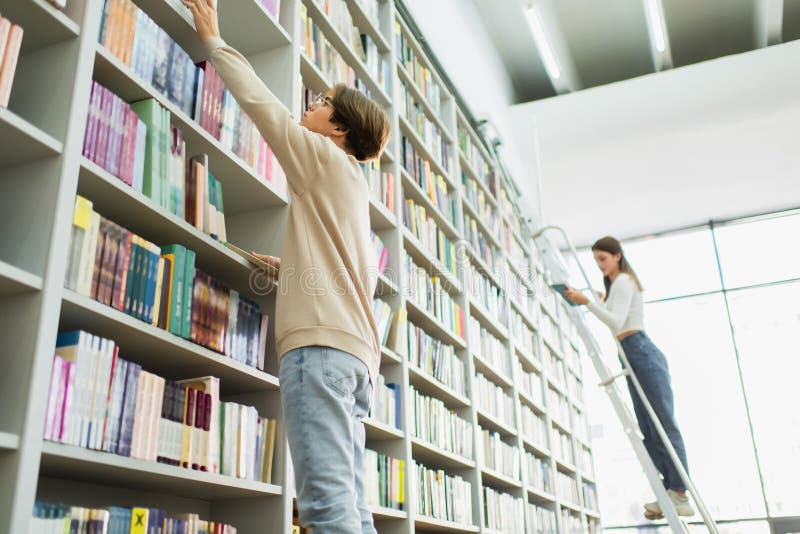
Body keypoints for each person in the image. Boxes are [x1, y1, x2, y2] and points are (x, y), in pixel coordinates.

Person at [183, 1, 390, 532]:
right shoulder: (353, 186)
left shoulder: (322, 157)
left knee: (323, 508)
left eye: (324, 101)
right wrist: (289, 268)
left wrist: (213, 39)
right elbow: (345, 273)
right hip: (355, 359)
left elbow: (263, 107)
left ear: (340, 129)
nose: (313, 103)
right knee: (350, 507)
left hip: (319, 354)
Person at [564, 236, 695, 520]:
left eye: (603, 259)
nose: (599, 265)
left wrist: (587, 301)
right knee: (648, 426)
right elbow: (615, 315)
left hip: (640, 349)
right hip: (630, 353)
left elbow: (615, 322)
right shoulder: (616, 286)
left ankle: (681, 493)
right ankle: (670, 489)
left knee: (663, 423)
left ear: (617, 256)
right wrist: (600, 300)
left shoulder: (623, 281)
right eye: (596, 260)